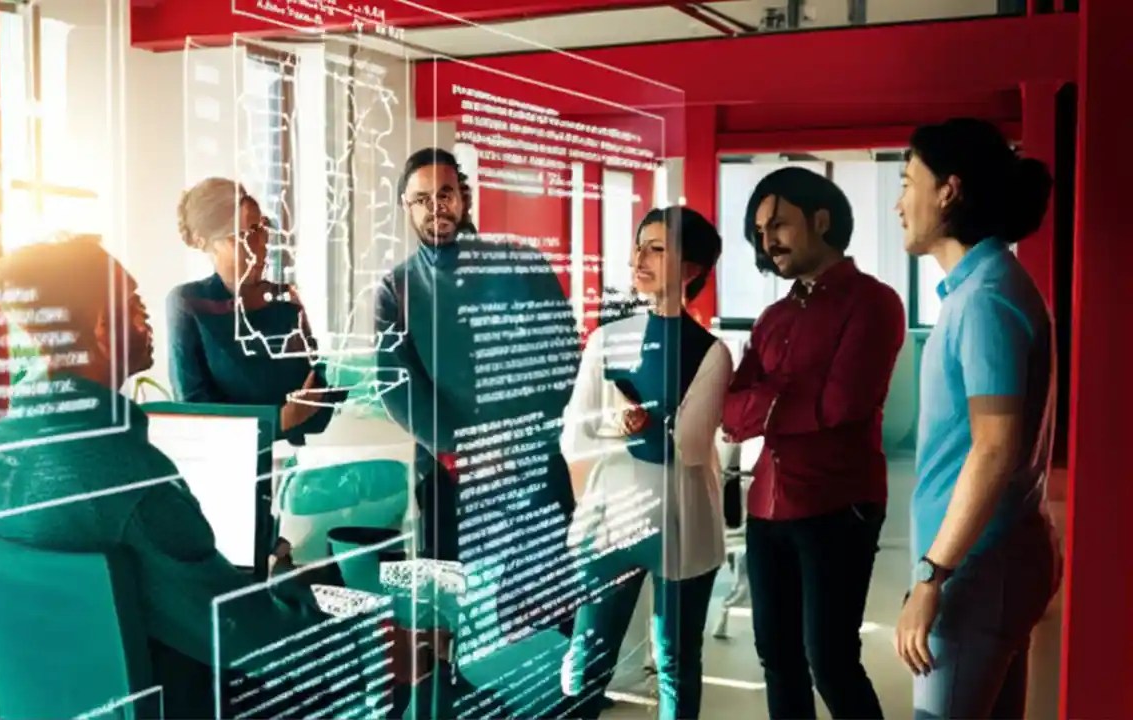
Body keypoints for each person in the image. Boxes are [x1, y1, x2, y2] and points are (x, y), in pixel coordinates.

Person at [0, 236, 336, 719]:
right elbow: (247, 637)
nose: (146, 322)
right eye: (135, 305)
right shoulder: (128, 476)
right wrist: (304, 595)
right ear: (103, 327)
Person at [373, 148, 580, 655]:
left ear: (463, 197)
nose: (433, 208)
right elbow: (398, 385)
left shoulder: (523, 264)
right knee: (446, 609)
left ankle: (550, 700)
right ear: (406, 207)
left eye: (444, 194)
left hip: (531, 468)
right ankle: (453, 696)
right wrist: (465, 451)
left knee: (543, 603)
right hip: (448, 473)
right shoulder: (395, 288)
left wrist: (520, 444)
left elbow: (561, 358)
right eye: (420, 199)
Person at [722, 167, 904, 719]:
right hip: (767, 507)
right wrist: (779, 398)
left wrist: (766, 400)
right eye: (758, 229)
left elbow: (841, 405)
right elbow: (730, 413)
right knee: (776, 657)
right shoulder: (772, 317)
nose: (767, 238)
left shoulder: (874, 302)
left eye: (778, 223)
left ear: (820, 220)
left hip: (838, 505)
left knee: (830, 660)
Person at [894, 118, 1060, 719]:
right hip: (989, 563)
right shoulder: (984, 286)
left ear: (949, 190)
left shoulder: (985, 296)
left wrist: (931, 578)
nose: (898, 203)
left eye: (908, 181)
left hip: (975, 572)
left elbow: (994, 450)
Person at [560, 206, 730, 720]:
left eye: (658, 248)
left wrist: (638, 428)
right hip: (613, 518)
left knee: (676, 658)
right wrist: (626, 429)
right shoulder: (605, 340)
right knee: (588, 653)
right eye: (640, 245)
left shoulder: (711, 353)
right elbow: (576, 431)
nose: (641, 257)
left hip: (684, 522)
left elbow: (689, 450)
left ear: (693, 268)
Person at [168, 177, 335, 442]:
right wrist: (281, 420)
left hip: (295, 463)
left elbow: (316, 399)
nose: (260, 244)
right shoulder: (189, 303)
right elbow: (195, 415)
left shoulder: (284, 298)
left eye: (262, 228)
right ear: (205, 242)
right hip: (230, 471)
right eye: (244, 235)